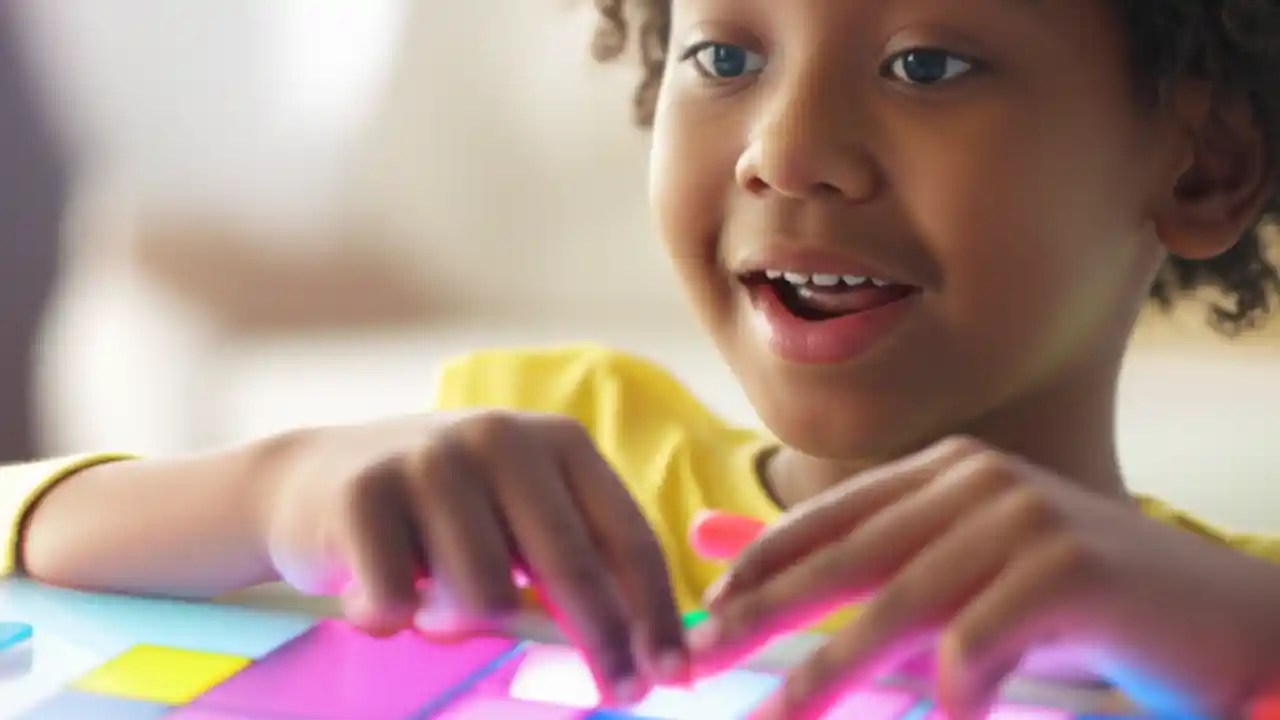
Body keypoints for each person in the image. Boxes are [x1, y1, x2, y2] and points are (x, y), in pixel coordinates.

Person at [5, 0, 1280, 716]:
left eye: (925, 65)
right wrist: (266, 494)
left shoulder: (1215, 613)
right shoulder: (541, 465)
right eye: (724, 55)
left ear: (1204, 163)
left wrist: (1235, 640)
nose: (784, 152)